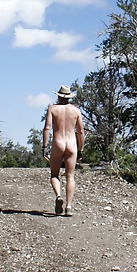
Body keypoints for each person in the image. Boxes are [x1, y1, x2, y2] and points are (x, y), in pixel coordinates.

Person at [42, 84, 85, 217]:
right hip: (72, 144)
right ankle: (69, 207)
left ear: (59, 96)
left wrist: (44, 147)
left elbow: (47, 128)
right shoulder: (76, 111)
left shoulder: (52, 109)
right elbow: (81, 131)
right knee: (70, 176)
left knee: (54, 174)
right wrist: (81, 148)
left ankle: (59, 195)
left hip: (58, 142)